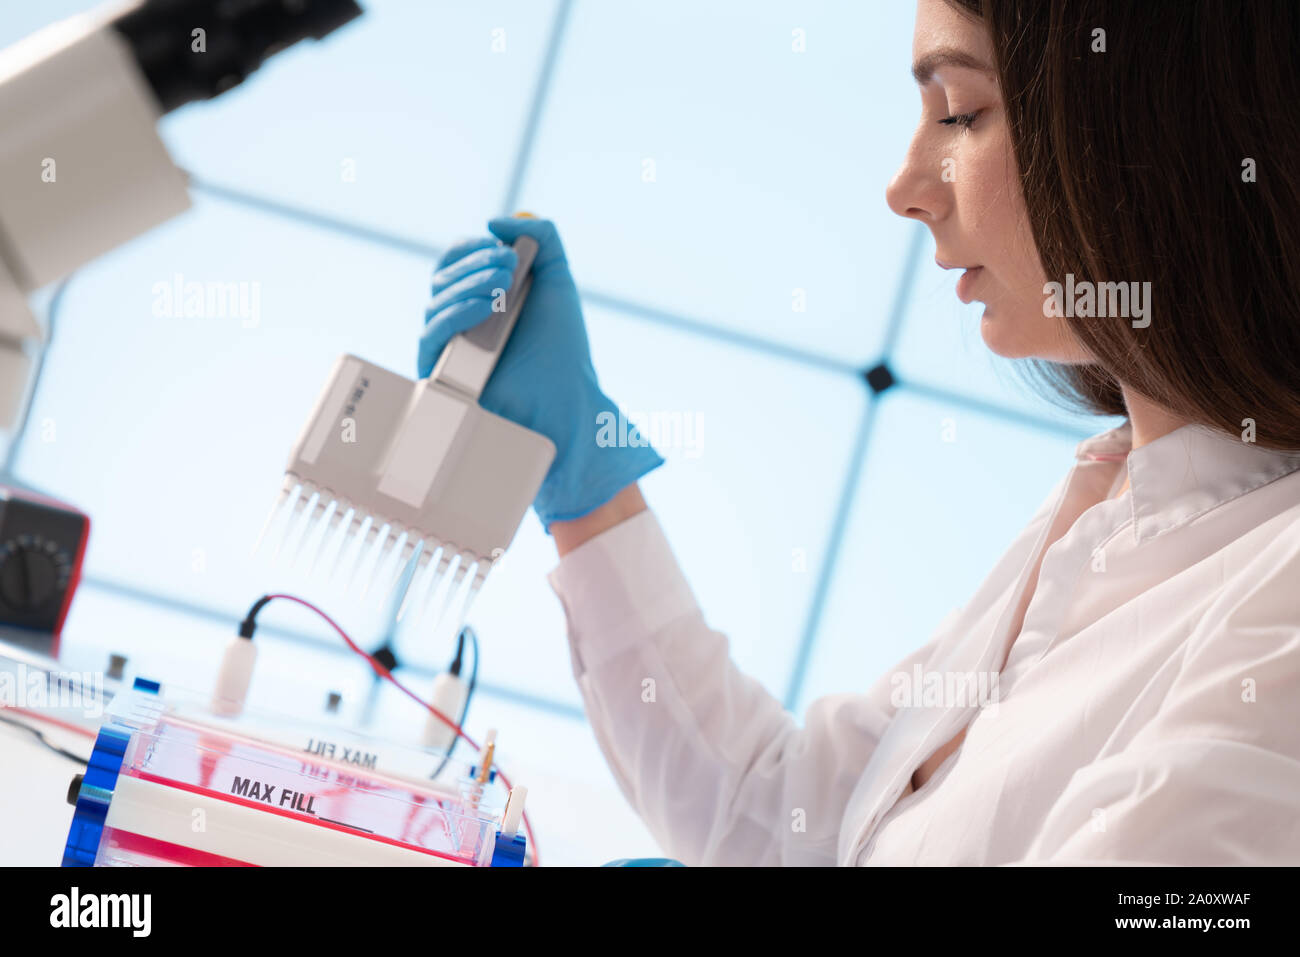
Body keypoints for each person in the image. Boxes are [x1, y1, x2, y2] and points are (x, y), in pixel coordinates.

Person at [417, 0, 1300, 865]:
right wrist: (587, 477)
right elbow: (787, 817)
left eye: (961, 112)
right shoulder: (1102, 506)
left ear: (1153, 127)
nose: (904, 187)